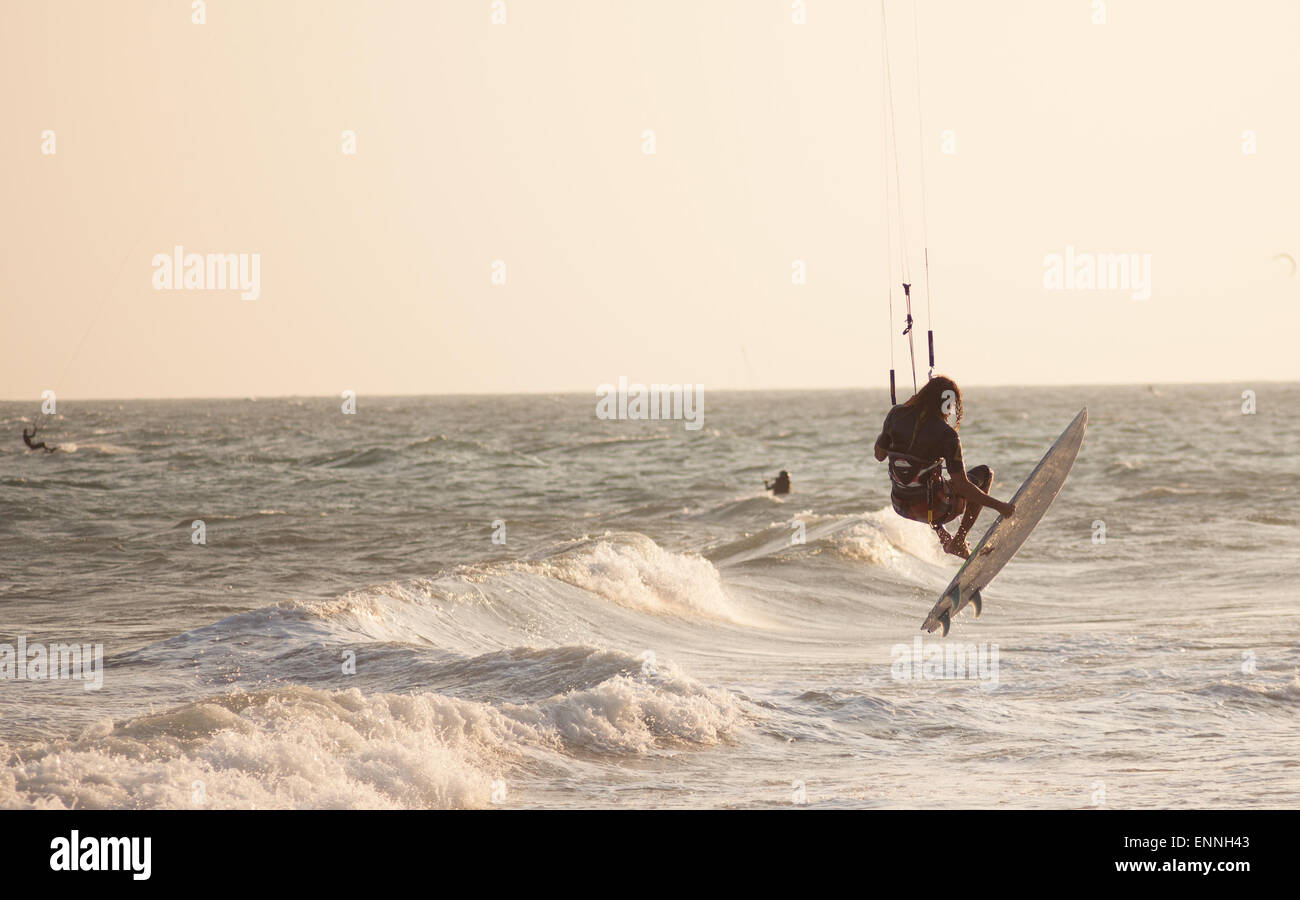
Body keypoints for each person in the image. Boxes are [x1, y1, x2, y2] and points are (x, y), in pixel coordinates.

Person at [873, 376, 1013, 558]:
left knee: (930, 483)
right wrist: (1001, 506)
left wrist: (889, 429)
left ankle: (945, 538)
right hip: (935, 509)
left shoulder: (895, 415)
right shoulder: (947, 435)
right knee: (984, 474)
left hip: (901, 505)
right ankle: (960, 541)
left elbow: (879, 455)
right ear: (947, 404)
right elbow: (963, 486)